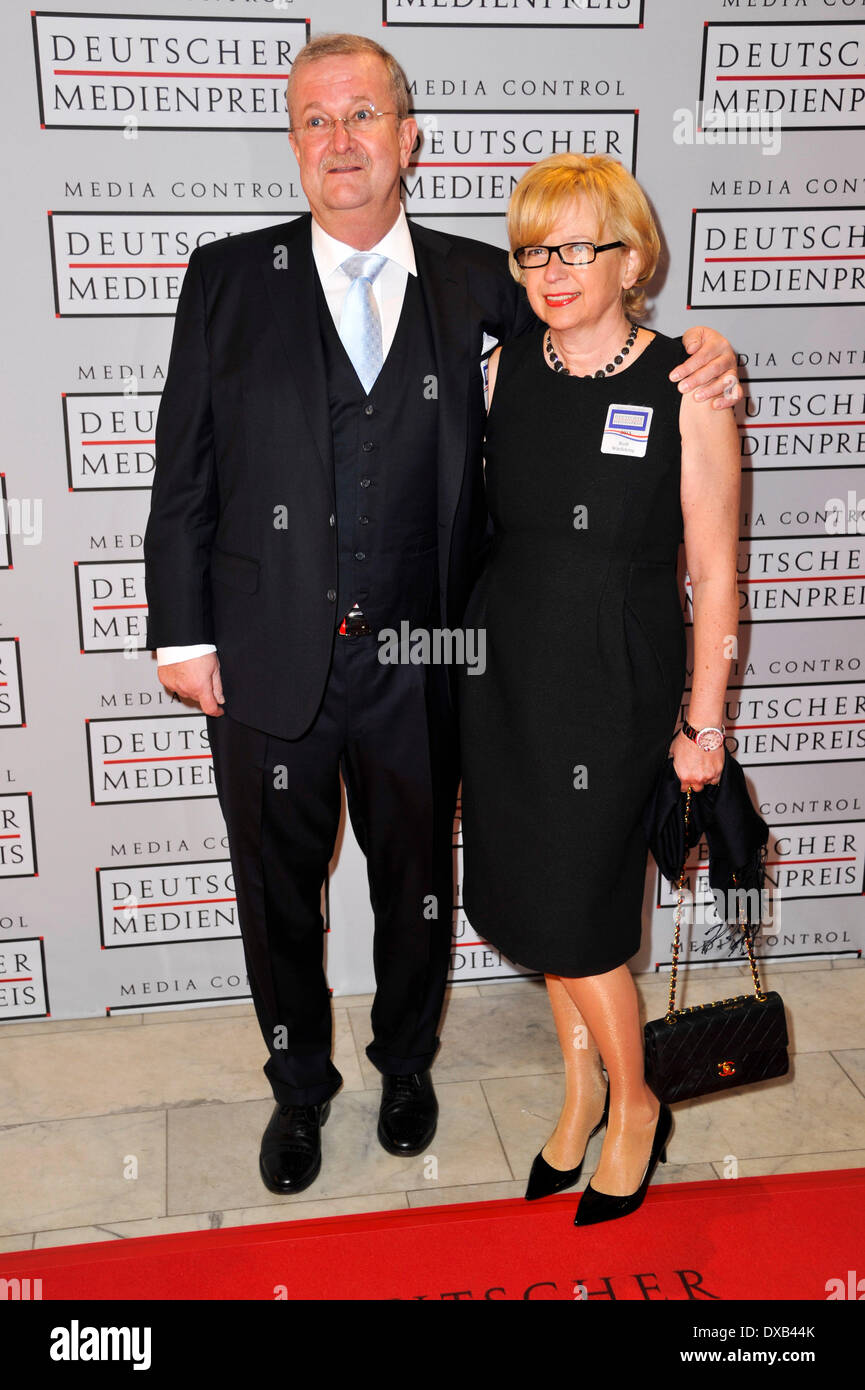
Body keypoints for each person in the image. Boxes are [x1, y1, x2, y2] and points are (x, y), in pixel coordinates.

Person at [143, 35, 740, 1197]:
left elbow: (602, 345)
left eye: (363, 114)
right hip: (265, 661)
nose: (340, 140)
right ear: (293, 145)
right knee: (275, 892)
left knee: (415, 881)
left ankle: (406, 1066)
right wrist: (184, 632)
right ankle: (299, 1089)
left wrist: (704, 352)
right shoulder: (226, 277)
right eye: (314, 120)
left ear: (407, 138)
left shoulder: (487, 282)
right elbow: (183, 471)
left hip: (431, 656)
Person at [458, 152, 741, 1225]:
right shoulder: (503, 370)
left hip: (616, 683)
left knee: (581, 924)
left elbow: (714, 571)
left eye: (582, 245)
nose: (554, 268)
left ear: (634, 259)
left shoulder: (685, 381)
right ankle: (578, 1095)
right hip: (506, 679)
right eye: (536, 248)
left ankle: (638, 1108)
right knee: (535, 913)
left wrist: (702, 722)